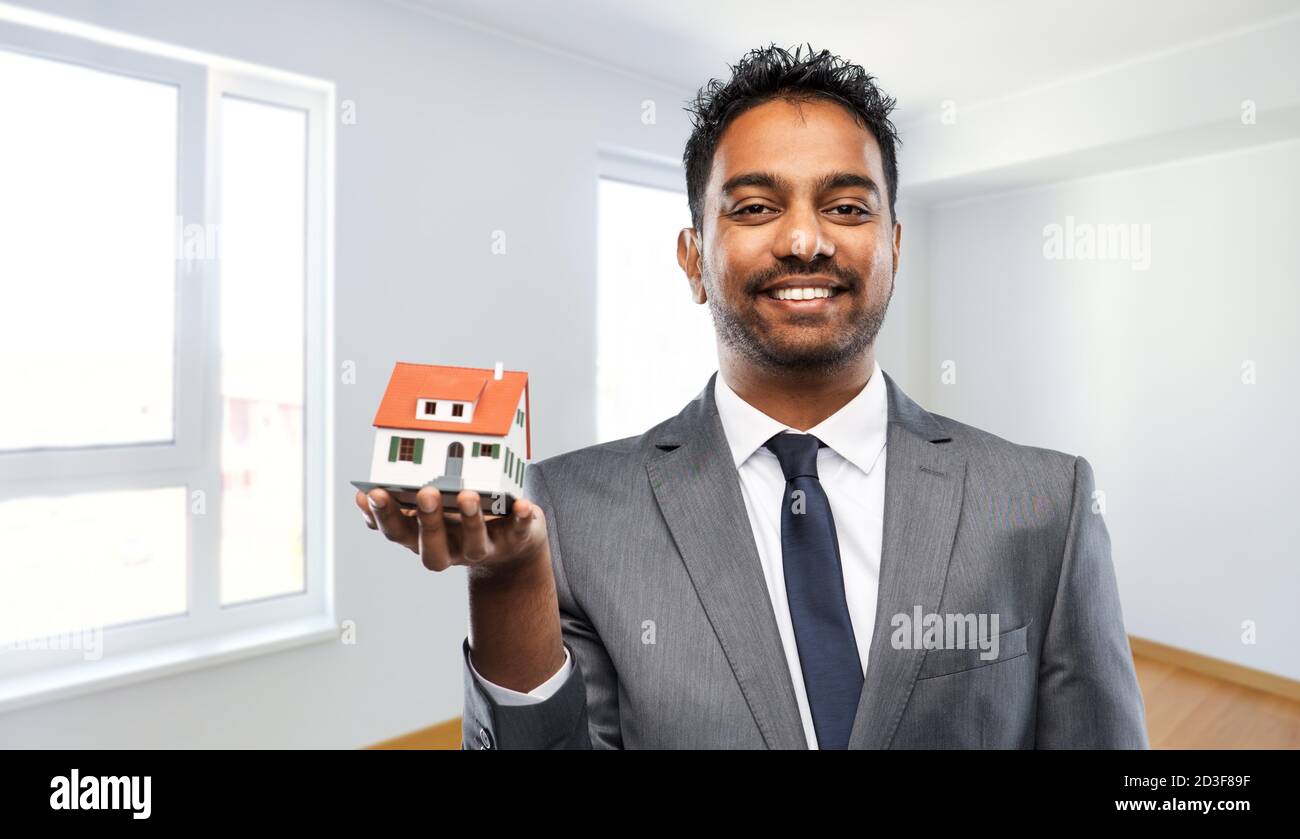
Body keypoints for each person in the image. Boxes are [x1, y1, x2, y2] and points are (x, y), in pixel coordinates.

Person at [356, 43, 1149, 750]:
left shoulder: (1047, 504)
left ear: (894, 247)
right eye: (756, 208)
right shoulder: (569, 511)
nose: (804, 240)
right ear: (693, 258)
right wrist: (506, 580)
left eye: (847, 207)